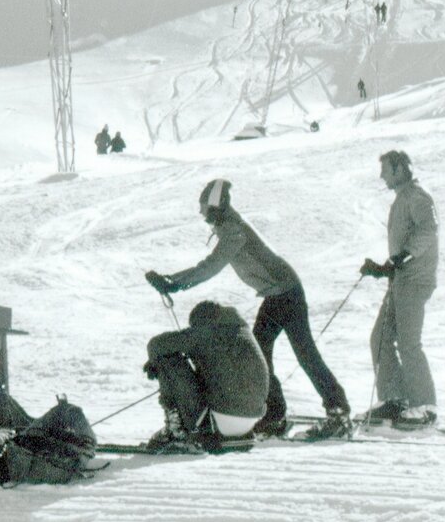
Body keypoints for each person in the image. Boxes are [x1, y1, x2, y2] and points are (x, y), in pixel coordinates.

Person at [145, 179, 350, 437]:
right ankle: (277, 416)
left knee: (305, 354)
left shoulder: (233, 230)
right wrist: (173, 282)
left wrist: (174, 283)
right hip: (278, 295)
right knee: (263, 355)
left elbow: (212, 265)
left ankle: (337, 411)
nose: (200, 213)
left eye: (203, 206)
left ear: (214, 206)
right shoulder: (229, 226)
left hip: (286, 295)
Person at [361, 149, 438, 428]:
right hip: (402, 281)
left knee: (408, 343)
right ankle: (394, 399)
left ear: (399, 169)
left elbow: (429, 230)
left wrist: (403, 257)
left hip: (415, 281)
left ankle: (425, 406)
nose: (382, 175)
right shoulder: (403, 198)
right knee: (380, 338)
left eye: (385, 169)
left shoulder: (418, 197)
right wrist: (382, 269)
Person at [143, 299, 270, 451]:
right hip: (251, 419)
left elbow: (156, 344)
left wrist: (153, 362)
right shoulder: (242, 330)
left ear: (201, 320)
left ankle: (177, 431)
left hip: (223, 418)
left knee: (166, 359)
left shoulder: (205, 330)